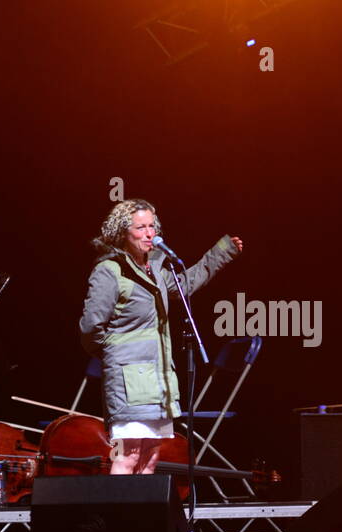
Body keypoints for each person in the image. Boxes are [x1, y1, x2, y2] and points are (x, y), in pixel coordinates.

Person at [79, 199, 243, 474]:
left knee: (151, 457)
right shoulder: (110, 271)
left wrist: (221, 252)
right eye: (140, 227)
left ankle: (142, 505)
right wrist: (116, 356)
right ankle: (119, 505)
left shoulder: (155, 270)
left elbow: (185, 283)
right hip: (128, 382)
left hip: (158, 379)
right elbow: (90, 328)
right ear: (122, 233)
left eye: (151, 226)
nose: (149, 233)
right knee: (128, 456)